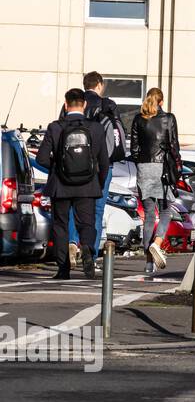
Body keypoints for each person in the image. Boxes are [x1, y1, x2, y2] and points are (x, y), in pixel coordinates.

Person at [37, 89, 110, 280]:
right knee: (86, 223)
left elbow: (42, 158)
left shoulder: (55, 127)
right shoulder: (96, 128)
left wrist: (59, 166)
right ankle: (86, 247)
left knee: (61, 225)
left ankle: (63, 269)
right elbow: (104, 163)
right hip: (87, 185)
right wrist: (98, 183)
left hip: (60, 185)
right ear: (84, 104)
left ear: (65, 104)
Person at [68, 70, 125, 262]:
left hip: (76, 164)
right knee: (97, 209)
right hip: (102, 164)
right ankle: (89, 254)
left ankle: (73, 242)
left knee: (75, 206)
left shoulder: (75, 103)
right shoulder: (107, 105)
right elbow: (116, 135)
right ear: (99, 85)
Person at [131, 87, 180, 274]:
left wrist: (142, 164)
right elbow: (173, 146)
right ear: (160, 102)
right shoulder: (168, 118)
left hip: (144, 168)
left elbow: (134, 149)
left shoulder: (137, 119)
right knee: (167, 210)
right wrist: (176, 168)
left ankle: (148, 262)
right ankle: (158, 242)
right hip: (163, 169)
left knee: (149, 215)